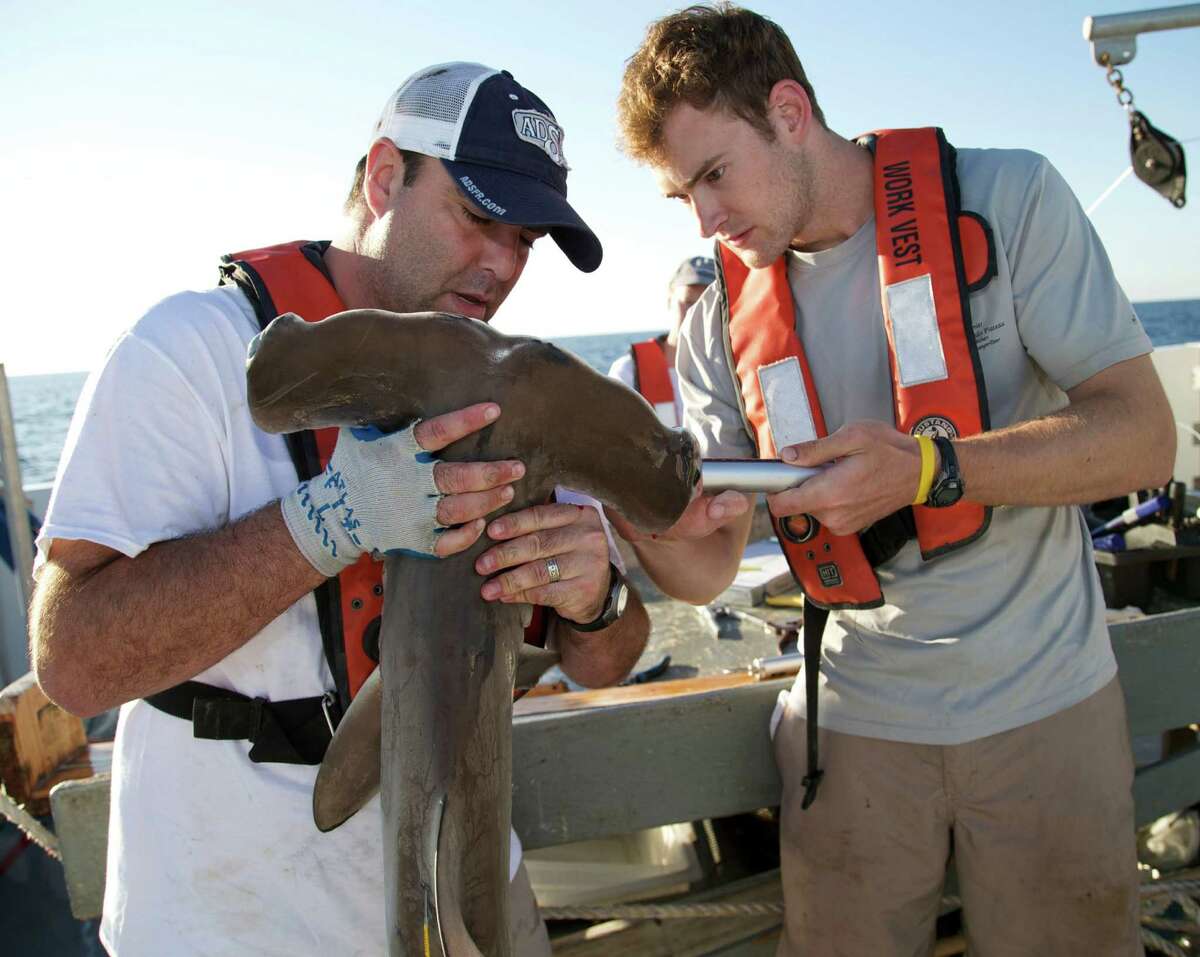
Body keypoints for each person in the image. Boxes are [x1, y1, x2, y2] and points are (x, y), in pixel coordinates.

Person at [29, 62, 648, 956]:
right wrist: (327, 523)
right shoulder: (191, 354)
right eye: (477, 218)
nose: (502, 265)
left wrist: (600, 599)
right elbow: (72, 661)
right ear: (384, 173)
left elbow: (606, 661)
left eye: (526, 240)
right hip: (232, 918)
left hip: (473, 890)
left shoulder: (511, 392)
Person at [612, 5, 1175, 955]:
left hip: (1044, 711)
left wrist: (927, 467)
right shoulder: (713, 323)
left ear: (790, 112)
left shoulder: (1011, 199)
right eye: (682, 198)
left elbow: (1143, 439)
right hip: (851, 734)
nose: (705, 218)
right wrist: (629, 522)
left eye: (713, 175)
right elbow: (707, 568)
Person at [608, 255, 716, 426]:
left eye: (707, 306)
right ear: (669, 301)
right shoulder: (628, 371)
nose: (695, 314)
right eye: (688, 302)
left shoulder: (735, 373)